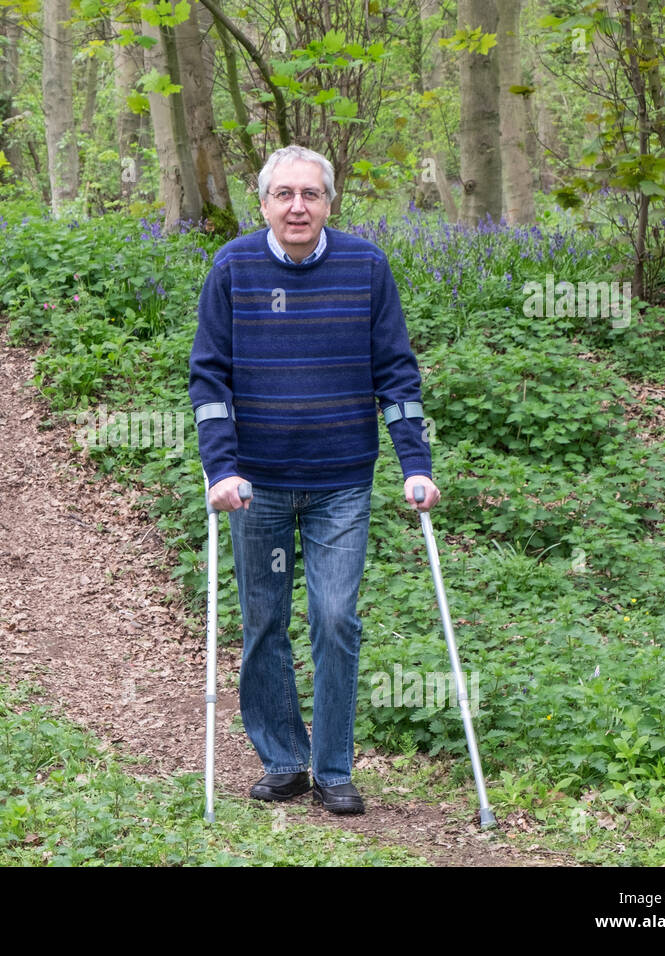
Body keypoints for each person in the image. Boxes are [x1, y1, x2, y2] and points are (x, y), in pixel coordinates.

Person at [188, 144, 439, 814]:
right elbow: (209, 376)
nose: (297, 206)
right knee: (265, 620)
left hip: (341, 482)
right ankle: (282, 759)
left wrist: (415, 463)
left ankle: (332, 768)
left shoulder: (366, 266)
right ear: (264, 202)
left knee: (334, 617)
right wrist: (222, 466)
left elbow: (396, 372)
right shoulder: (233, 266)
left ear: (330, 202)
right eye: (284, 194)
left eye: (311, 194)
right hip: (257, 485)